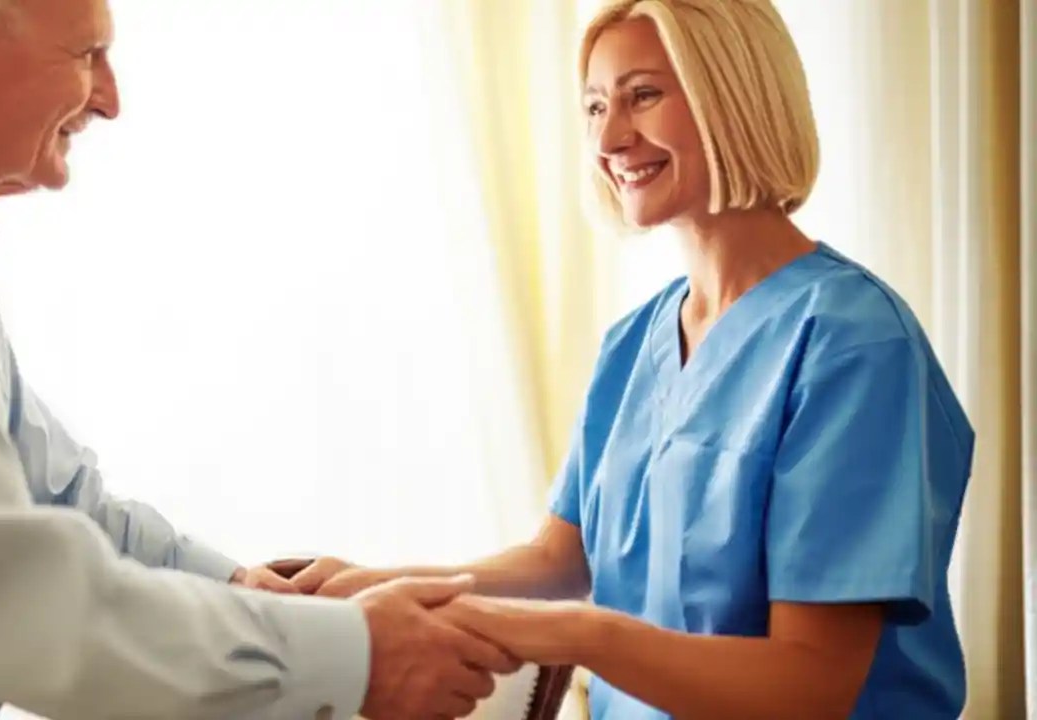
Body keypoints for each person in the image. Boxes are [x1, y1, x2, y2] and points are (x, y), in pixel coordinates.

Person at [0, 0, 519, 717]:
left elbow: (59, 498)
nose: (110, 99)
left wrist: (249, 592)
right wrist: (350, 656)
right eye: (89, 54)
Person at [289, 1, 975, 718]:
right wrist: (374, 585)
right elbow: (559, 561)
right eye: (593, 107)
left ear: (732, 95)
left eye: (642, 95)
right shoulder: (633, 342)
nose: (610, 138)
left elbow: (809, 685)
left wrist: (580, 633)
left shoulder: (852, 341)